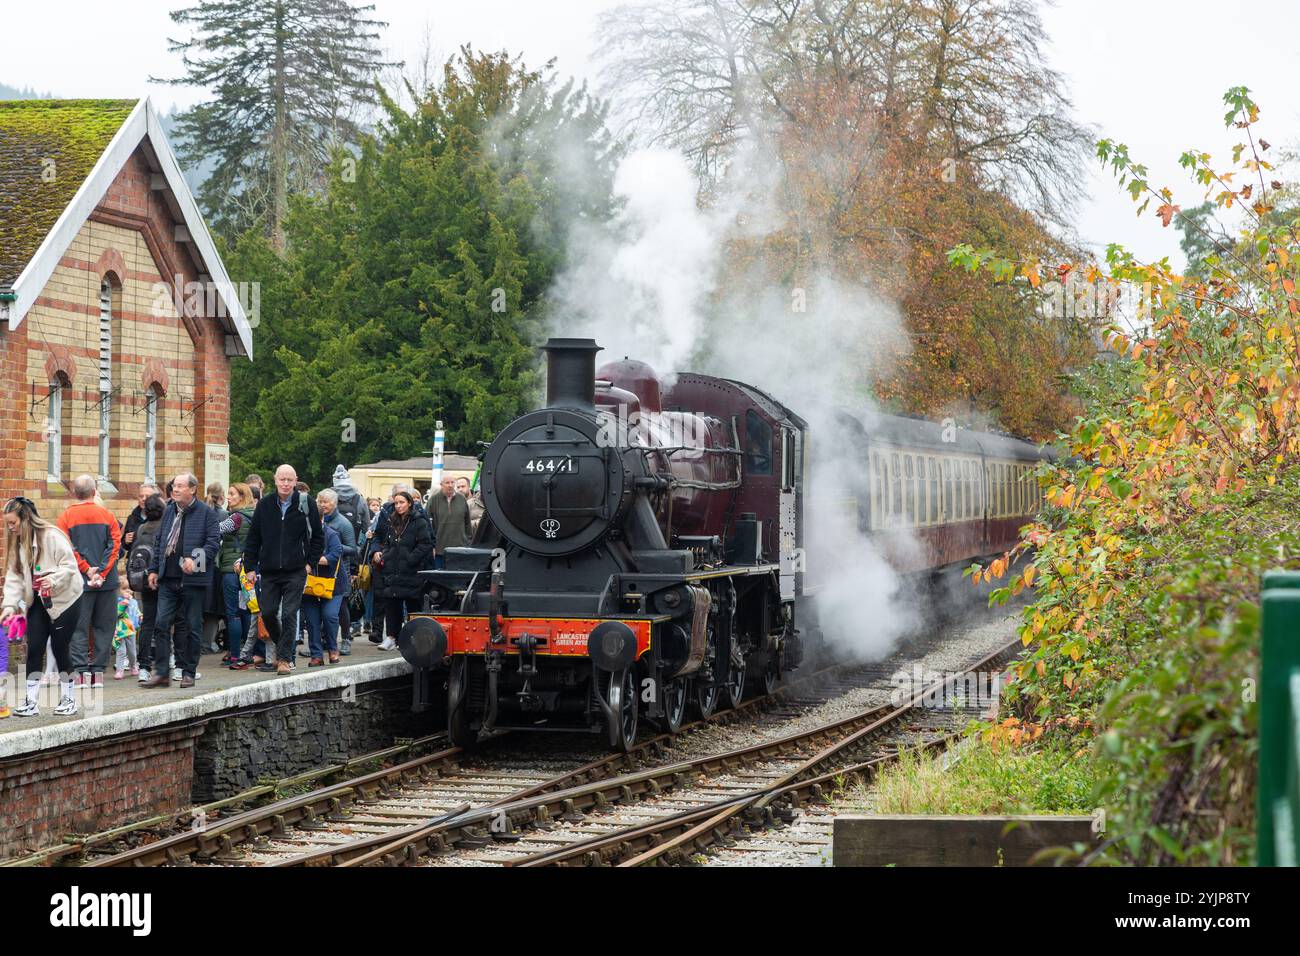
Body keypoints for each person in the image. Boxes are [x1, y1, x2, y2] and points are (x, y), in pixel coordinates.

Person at [2, 497, 85, 717]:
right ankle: (31, 701)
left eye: (13, 523)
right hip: (39, 599)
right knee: (35, 647)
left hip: (66, 598)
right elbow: (14, 577)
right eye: (7, 524)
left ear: (26, 518)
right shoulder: (18, 543)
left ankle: (69, 698)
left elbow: (69, 566)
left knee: (59, 648)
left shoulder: (52, 535)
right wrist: (9, 605)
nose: (10, 527)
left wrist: (53, 579)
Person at [241, 465, 324, 676]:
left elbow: (318, 538)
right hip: (269, 570)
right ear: (275, 480)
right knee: (267, 613)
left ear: (296, 481)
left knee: (288, 613)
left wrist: (310, 563)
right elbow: (254, 538)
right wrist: (249, 566)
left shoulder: (307, 504)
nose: (285, 484)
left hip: (296, 569)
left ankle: (285, 659)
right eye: (282, 479)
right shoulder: (265, 505)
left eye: (289, 480)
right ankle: (283, 647)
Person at [141, 474, 220, 689]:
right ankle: (162, 673)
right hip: (169, 578)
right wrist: (155, 570)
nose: (174, 490)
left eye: (180, 486)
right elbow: (160, 542)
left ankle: (188, 672)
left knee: (193, 627)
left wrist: (195, 560)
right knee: (161, 624)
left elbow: (213, 544)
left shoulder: (206, 514)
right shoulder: (169, 511)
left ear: (192, 489)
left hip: (194, 580)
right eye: (174, 486)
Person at [58, 475, 123, 687]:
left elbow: (67, 550)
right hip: (107, 582)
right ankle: (98, 674)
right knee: (104, 627)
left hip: (78, 583)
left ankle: (80, 672)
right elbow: (114, 547)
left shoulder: (65, 518)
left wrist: (86, 570)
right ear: (95, 492)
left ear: (73, 493)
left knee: (78, 627)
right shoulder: (107, 515)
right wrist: (101, 573)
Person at [372, 490, 432, 651]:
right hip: (393, 569)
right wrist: (386, 556)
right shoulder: (392, 521)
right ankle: (392, 636)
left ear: (410, 503)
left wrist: (411, 559)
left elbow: (426, 543)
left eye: (402, 502)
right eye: (396, 503)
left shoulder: (419, 521)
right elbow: (386, 540)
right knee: (392, 604)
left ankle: (413, 636)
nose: (398, 506)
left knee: (413, 604)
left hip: (411, 569)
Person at [126, 493, 165, 683]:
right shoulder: (165, 528)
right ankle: (165, 660)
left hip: (142, 580)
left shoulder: (141, 528)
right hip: (161, 579)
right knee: (165, 621)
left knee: (147, 622)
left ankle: (143, 666)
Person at [218, 483, 256, 668]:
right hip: (248, 572)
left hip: (232, 572)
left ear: (242, 497)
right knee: (247, 611)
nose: (228, 497)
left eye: (232, 494)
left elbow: (216, 530)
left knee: (233, 614)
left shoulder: (236, 518)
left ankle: (234, 655)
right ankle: (248, 653)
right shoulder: (254, 515)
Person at [317, 488, 357, 654]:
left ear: (334, 503)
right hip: (320, 571)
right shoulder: (317, 520)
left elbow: (353, 548)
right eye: (320, 501)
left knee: (341, 607)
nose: (322, 505)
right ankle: (324, 640)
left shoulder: (343, 523)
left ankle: (346, 639)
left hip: (340, 570)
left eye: (325, 502)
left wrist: (334, 547)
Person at [302, 521, 346, 665]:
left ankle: (333, 649)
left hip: (332, 584)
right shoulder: (299, 534)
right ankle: (316, 655)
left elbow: (333, 556)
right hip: (308, 584)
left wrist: (309, 560)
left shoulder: (331, 535)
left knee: (330, 616)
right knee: (312, 620)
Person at [428, 475, 472, 569]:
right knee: (439, 581)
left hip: (460, 549)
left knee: (458, 580)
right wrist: (431, 546)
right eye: (447, 483)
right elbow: (427, 525)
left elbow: (467, 524)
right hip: (439, 550)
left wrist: (467, 542)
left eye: (452, 482)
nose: (450, 485)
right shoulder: (433, 500)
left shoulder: (462, 499)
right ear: (441, 485)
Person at [113, 576, 141, 680]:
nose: (128, 591)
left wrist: (140, 616)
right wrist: (124, 603)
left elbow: (135, 611)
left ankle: (133, 665)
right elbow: (116, 614)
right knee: (121, 651)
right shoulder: (116, 601)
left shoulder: (133, 601)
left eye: (128, 588)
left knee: (132, 651)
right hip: (119, 630)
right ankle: (120, 670)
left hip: (131, 630)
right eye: (124, 588)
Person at [123, 481, 160, 551]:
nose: (144, 499)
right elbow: (125, 546)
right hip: (135, 558)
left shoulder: (160, 518)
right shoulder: (132, 518)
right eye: (141, 496)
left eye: (147, 496)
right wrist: (126, 541)